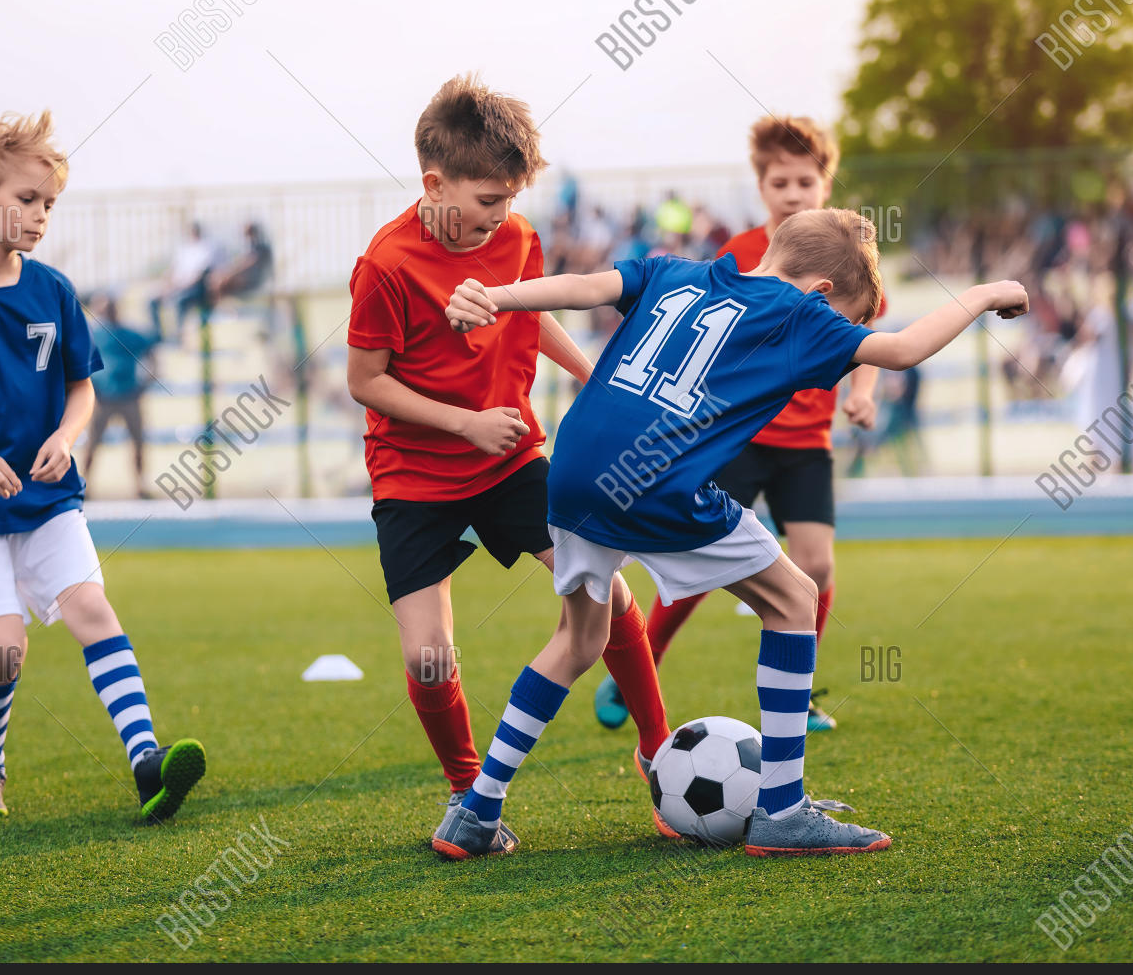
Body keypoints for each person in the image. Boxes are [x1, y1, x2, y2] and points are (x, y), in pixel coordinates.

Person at [433, 207, 1027, 858]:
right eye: (848, 318)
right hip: (656, 482)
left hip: (571, 469)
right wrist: (986, 292)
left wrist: (494, 297)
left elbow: (582, 287)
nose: (839, 334)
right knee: (796, 600)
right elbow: (904, 350)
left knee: (579, 638)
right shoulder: (803, 313)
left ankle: (477, 810)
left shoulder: (674, 271)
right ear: (823, 291)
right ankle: (784, 810)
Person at [345, 74, 672, 850]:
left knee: (606, 587)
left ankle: (658, 750)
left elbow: (528, 314)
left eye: (512, 198)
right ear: (435, 185)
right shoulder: (384, 265)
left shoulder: (517, 237)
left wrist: (592, 374)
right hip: (415, 476)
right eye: (488, 199)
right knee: (429, 659)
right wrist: (463, 424)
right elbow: (365, 381)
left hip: (509, 458)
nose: (502, 215)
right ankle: (470, 794)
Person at [0, 111, 206, 821]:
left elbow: (81, 388)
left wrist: (65, 435)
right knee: (5, 652)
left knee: (93, 609)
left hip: (49, 496)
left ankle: (146, 763)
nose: (41, 216)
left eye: (50, 204)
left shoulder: (54, 290)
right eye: (28, 199)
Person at [593, 116, 884, 733]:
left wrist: (862, 394)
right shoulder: (745, 256)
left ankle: (798, 696)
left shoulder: (849, 261)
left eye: (806, 181)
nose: (794, 193)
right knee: (703, 563)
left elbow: (866, 340)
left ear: (825, 184)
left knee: (817, 569)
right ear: (761, 186)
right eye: (781, 182)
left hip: (808, 444)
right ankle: (640, 667)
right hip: (739, 438)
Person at [81, 293, 157, 499]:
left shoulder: (129, 334)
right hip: (102, 398)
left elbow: (151, 349)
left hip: (128, 396)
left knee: (137, 442)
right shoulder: (93, 335)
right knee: (92, 443)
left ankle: (140, 486)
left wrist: (147, 381)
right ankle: (85, 485)